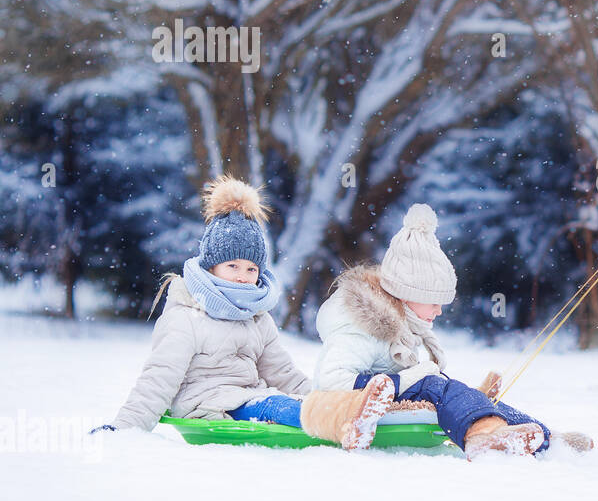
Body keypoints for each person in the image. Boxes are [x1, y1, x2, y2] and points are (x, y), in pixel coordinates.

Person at [97, 176, 394, 449]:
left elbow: (282, 372)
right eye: (233, 266)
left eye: (251, 269)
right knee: (274, 406)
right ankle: (345, 420)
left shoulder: (256, 317)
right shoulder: (187, 316)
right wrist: (125, 428)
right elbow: (159, 378)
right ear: (211, 266)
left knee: (277, 402)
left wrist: (324, 394)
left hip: (253, 398)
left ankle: (350, 408)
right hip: (207, 405)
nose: (243, 276)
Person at [314, 204, 593, 460]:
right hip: (359, 409)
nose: (439, 311)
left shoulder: (400, 321)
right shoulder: (363, 326)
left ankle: (544, 438)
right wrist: (408, 378)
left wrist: (414, 377)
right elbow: (329, 381)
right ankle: (483, 436)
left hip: (385, 395)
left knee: (450, 389)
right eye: (434, 302)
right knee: (433, 385)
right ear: (406, 294)